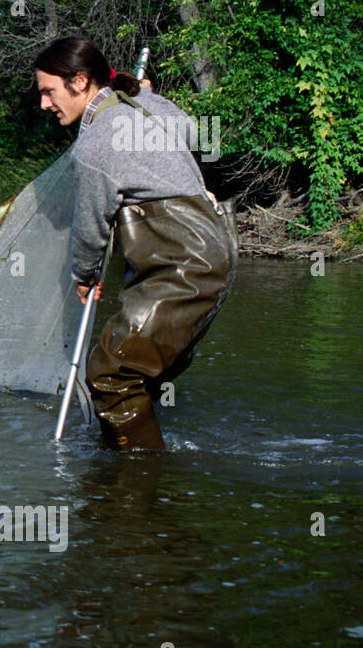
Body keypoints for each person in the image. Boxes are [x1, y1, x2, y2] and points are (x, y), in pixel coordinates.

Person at [34, 36, 238, 450]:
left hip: (184, 267)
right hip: (215, 251)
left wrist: (83, 275)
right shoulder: (146, 109)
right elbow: (191, 133)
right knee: (136, 372)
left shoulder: (94, 145)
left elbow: (92, 224)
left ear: (79, 81)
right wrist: (147, 99)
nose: (44, 104)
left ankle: (140, 480)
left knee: (110, 378)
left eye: (48, 91)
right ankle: (120, 457)